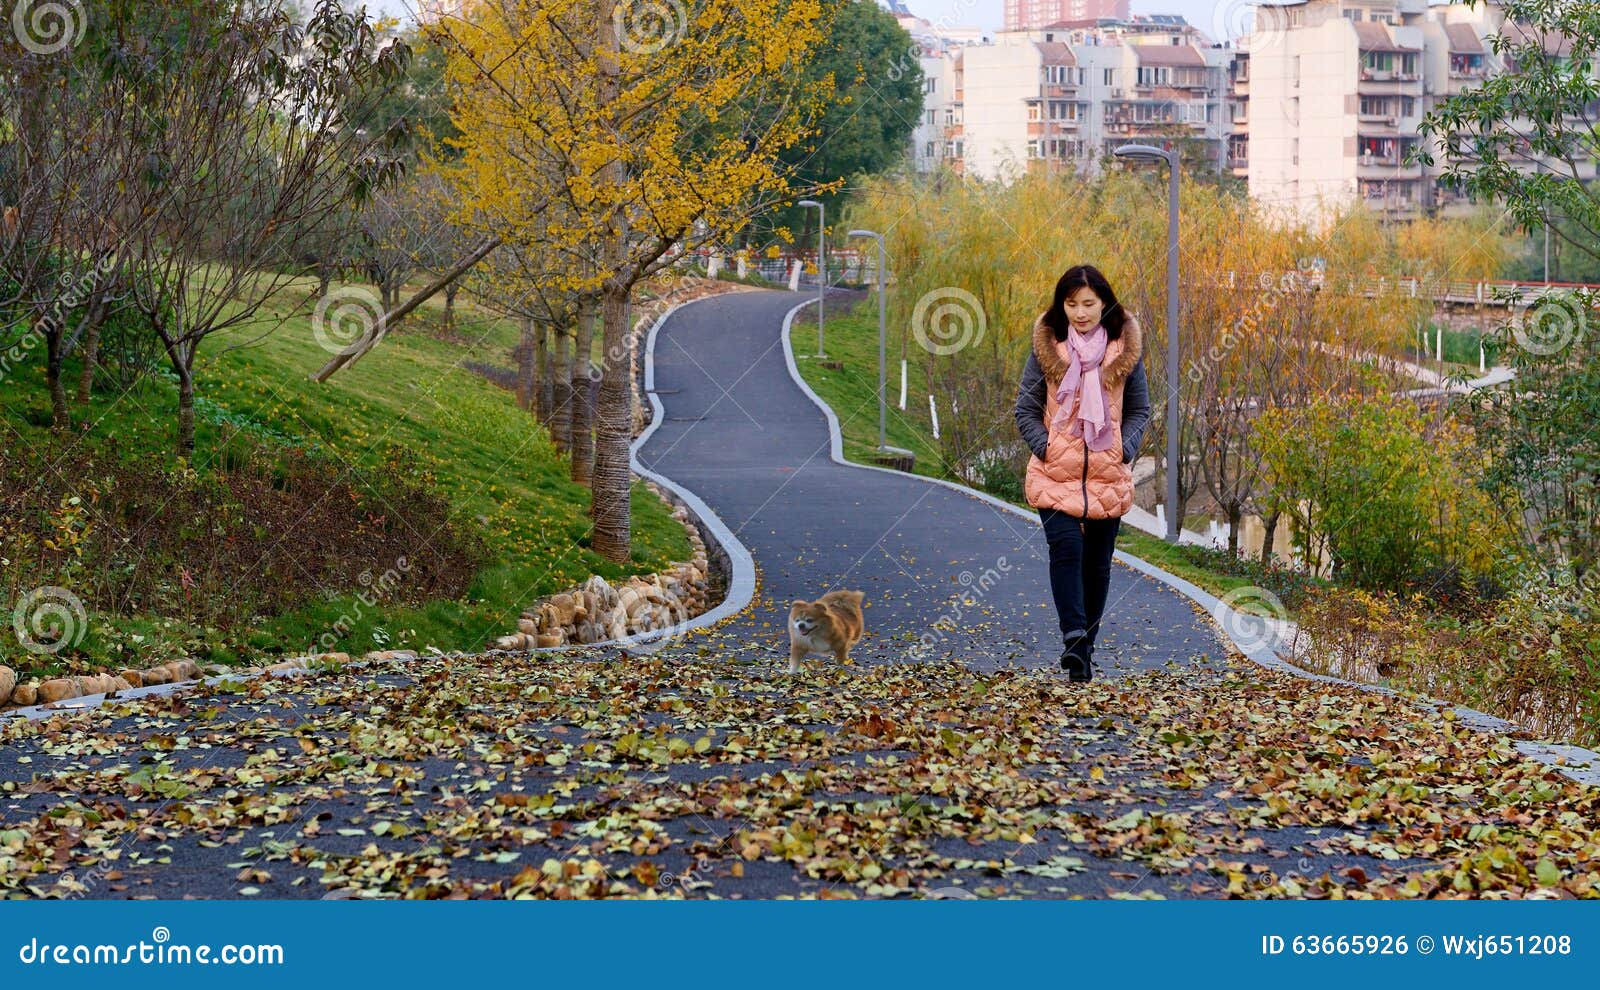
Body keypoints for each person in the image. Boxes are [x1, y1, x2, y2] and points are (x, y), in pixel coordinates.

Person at [1013, 264, 1151, 681]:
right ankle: (1074, 639)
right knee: (1067, 549)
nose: (1080, 313)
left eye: (1088, 304)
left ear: (1105, 303)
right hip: (1055, 475)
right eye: (1071, 304)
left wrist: (1124, 450)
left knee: (1098, 566)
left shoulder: (1124, 349)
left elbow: (1139, 409)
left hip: (1107, 476)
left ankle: (1084, 648)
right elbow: (1025, 409)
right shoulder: (1048, 348)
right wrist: (1048, 448)